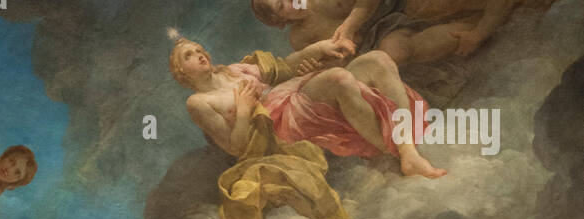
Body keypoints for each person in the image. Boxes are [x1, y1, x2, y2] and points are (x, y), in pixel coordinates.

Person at [173, 34, 444, 180]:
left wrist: (320, 48)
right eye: (189, 55)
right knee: (339, 79)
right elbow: (235, 147)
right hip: (280, 125)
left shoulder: (234, 70)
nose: (200, 55)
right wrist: (244, 110)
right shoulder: (198, 102)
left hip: (294, 93)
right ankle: (396, 155)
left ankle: (407, 151)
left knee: (379, 60)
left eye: (199, 50)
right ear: (181, 73)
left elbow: (285, 67)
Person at [251, 0, 548, 65]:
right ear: (280, 20)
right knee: (396, 52)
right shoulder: (299, 37)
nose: (292, 1)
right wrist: (339, 50)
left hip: (395, 8)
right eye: (282, 5)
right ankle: (480, 29)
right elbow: (329, 60)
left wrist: (352, 22)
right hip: (378, 41)